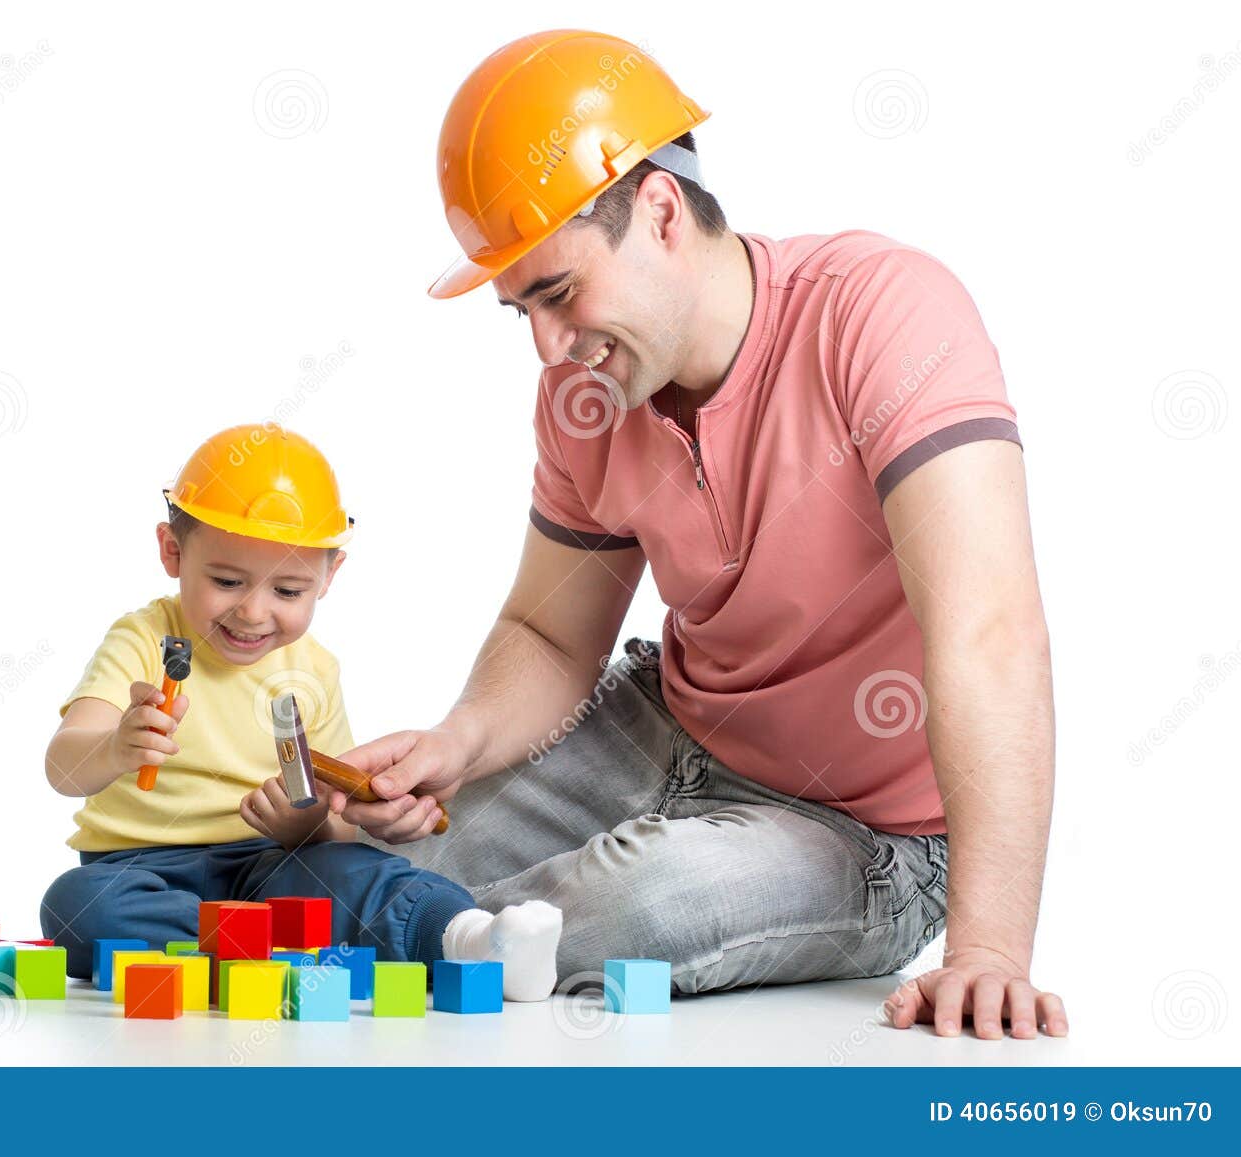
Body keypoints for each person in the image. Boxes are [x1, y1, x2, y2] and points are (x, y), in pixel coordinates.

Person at [324, 30, 1067, 1039]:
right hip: (663, 728)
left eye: (559, 292)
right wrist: (458, 742)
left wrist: (988, 952)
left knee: (648, 901)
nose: (549, 346)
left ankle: (398, 932)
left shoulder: (881, 312)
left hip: (863, 827)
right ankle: (393, 920)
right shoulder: (583, 398)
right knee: (378, 863)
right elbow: (550, 636)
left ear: (660, 212)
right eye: (519, 311)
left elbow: (988, 633)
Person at [38, 424, 562, 1000]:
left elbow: (334, 822)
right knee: (75, 906)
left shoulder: (314, 671)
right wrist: (113, 746)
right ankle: (274, 961)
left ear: (329, 576)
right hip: (139, 870)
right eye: (226, 580)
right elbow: (63, 768)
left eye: (288, 592)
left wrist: (303, 826)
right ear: (173, 551)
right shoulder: (143, 638)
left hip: (269, 868)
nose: (253, 612)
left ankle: (474, 940)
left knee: (360, 873)